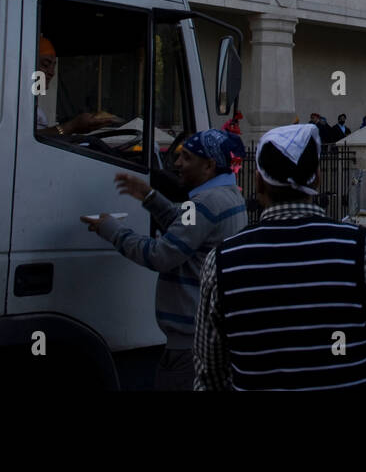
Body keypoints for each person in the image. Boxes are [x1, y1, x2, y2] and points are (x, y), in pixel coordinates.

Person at [193, 124, 366, 391]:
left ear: (258, 181)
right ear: (318, 179)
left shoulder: (222, 262)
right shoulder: (363, 250)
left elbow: (210, 372)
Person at [81, 129, 247, 389]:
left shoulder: (206, 203)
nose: (177, 164)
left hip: (189, 344)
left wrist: (111, 230)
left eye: (187, 158)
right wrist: (150, 197)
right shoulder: (228, 195)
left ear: (209, 165)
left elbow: (161, 255)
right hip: (204, 336)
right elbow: (188, 229)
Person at [34, 36, 112, 138]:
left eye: (53, 66)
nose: (51, 73)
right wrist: (71, 126)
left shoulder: (31, 105)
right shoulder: (13, 103)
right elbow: (24, 139)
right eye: (45, 65)